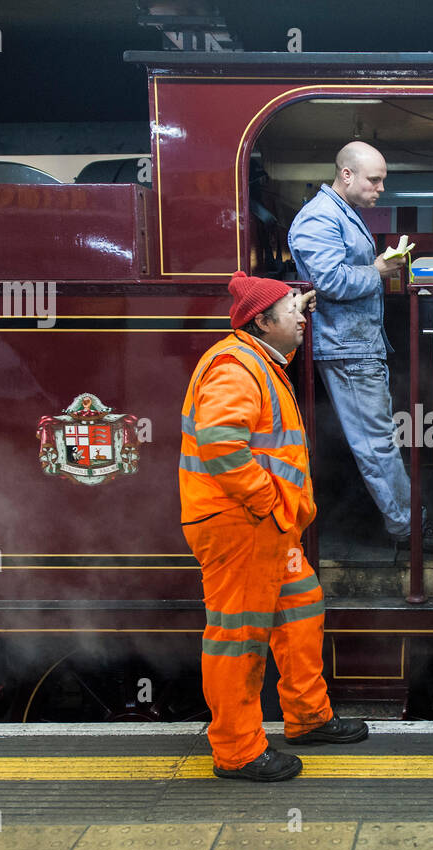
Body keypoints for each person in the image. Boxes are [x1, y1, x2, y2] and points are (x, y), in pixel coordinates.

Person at [179, 271, 368, 782]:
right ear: (263, 321)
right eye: (294, 311)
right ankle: (237, 751)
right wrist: (267, 501)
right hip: (241, 524)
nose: (304, 319)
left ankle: (308, 718)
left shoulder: (259, 361)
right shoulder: (235, 367)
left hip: (266, 526)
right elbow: (221, 446)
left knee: (301, 609)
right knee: (237, 635)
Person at [287, 141, 425, 547]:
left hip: (357, 343)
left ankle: (405, 521)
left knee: (376, 440)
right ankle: (409, 529)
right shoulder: (319, 219)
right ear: (346, 174)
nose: (381, 188)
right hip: (346, 347)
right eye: (375, 179)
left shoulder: (338, 214)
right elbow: (330, 283)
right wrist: (380, 268)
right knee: (376, 443)